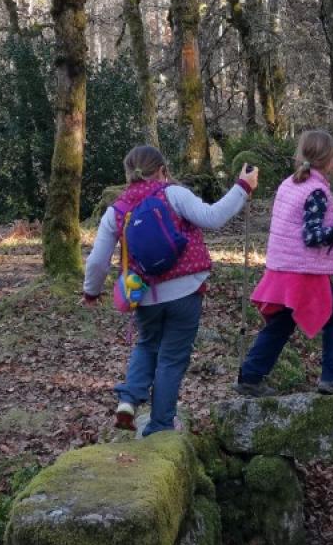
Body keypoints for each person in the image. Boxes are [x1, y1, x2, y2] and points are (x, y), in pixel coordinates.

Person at [83, 145, 256, 435]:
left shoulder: (117, 210)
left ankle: (128, 400)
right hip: (186, 290)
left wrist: (91, 292)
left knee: (147, 344)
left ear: (128, 176)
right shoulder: (174, 194)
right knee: (172, 357)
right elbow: (213, 218)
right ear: (162, 170)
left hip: (146, 293)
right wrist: (242, 187)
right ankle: (161, 424)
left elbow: (98, 260)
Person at [234, 129, 333, 398]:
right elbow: (313, 236)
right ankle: (332, 378)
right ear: (329, 160)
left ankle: (250, 376)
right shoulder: (316, 191)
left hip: (282, 266)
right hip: (303, 271)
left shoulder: (289, 183)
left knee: (281, 323)